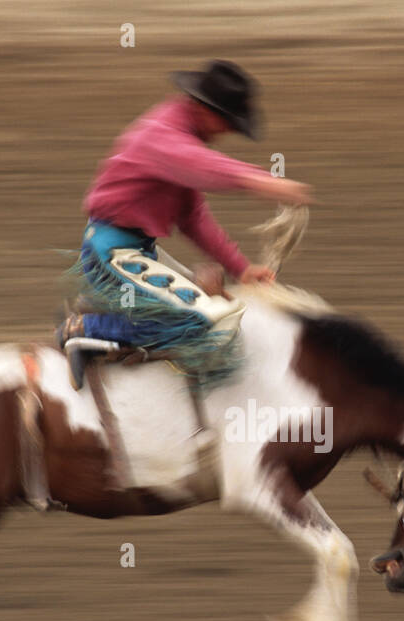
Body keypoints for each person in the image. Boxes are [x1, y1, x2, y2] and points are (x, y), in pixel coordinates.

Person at [62, 60, 312, 387]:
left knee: (216, 310)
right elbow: (203, 167)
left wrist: (242, 268)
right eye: (230, 123)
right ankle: (85, 330)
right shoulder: (164, 136)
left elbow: (193, 218)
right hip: (112, 256)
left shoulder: (181, 136)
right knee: (203, 322)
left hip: (134, 250)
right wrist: (262, 182)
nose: (229, 132)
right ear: (208, 112)